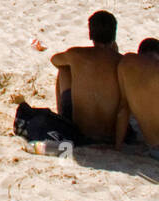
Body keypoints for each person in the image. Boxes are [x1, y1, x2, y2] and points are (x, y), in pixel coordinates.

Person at [50, 11, 124, 144]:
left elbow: (55, 60)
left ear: (91, 34)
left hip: (79, 130)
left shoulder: (76, 54)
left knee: (64, 68)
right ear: (114, 34)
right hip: (110, 132)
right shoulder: (121, 61)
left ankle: (62, 116)